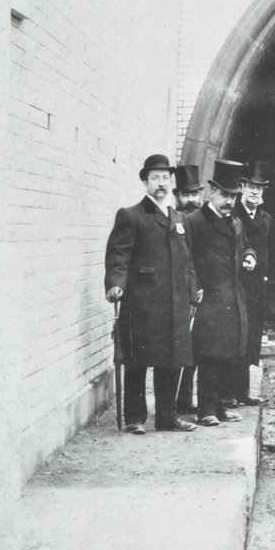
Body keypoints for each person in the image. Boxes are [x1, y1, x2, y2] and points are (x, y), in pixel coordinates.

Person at [103, 154, 201, 434]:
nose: (161, 183)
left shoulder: (179, 218)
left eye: (165, 178)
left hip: (175, 303)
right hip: (142, 303)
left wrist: (194, 292)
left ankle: (167, 418)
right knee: (137, 361)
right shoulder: (131, 215)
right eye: (155, 178)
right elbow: (119, 255)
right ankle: (135, 418)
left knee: (171, 362)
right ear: (145, 182)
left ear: (171, 182)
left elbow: (188, 260)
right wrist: (115, 283)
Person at [185, 160, 256, 427]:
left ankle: (222, 406)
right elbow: (187, 260)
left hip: (233, 297)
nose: (229, 201)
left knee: (229, 354)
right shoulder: (196, 222)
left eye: (233, 196)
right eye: (225, 195)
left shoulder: (236, 223)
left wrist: (250, 257)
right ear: (212, 192)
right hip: (209, 298)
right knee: (209, 356)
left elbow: (247, 247)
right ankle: (206, 409)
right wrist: (196, 290)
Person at [232, 160, 272, 407]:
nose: (256, 192)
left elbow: (269, 253)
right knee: (236, 336)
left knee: (251, 338)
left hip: (257, 287)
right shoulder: (234, 215)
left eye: (260, 188)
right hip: (238, 283)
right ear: (242, 188)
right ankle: (229, 392)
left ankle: (243, 391)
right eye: (251, 187)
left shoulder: (266, 219)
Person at [172, 163, 205, 415]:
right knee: (176, 350)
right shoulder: (172, 219)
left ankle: (184, 400)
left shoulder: (204, 220)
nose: (191, 199)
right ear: (178, 196)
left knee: (195, 350)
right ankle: (171, 401)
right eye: (186, 194)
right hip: (177, 293)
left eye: (194, 194)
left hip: (201, 292)